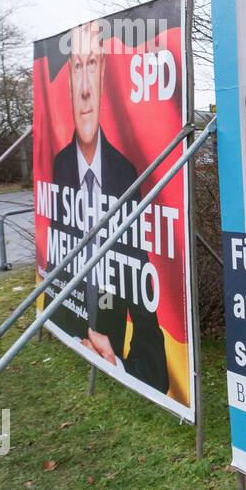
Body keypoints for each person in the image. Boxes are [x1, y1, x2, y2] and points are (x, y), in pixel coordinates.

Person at [47, 22, 168, 393]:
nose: (85, 89)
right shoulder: (56, 169)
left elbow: (154, 358)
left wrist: (119, 365)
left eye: (93, 65)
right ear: (68, 82)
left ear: (104, 79)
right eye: (77, 67)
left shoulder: (126, 177)